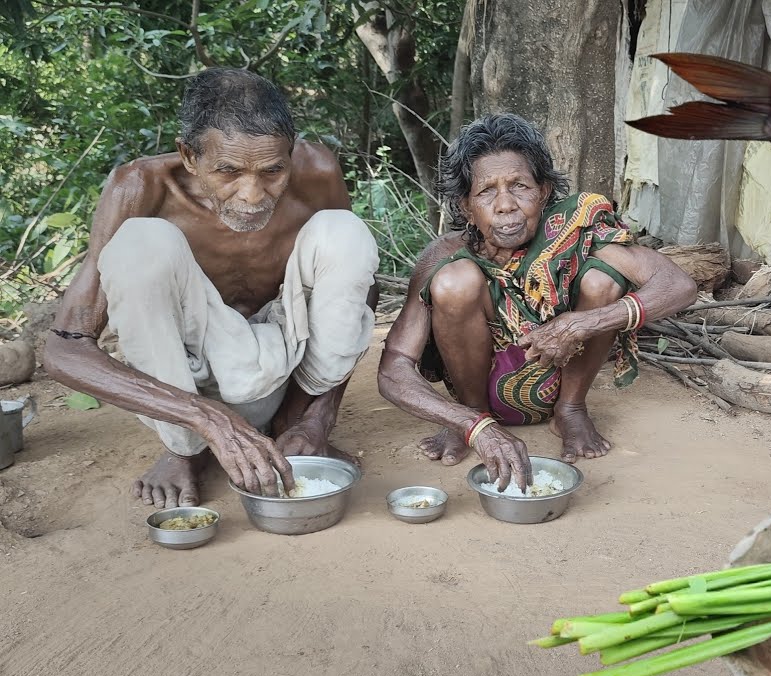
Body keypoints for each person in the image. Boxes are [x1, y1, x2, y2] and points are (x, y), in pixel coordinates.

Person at [43, 68, 379, 508]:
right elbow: (64, 348)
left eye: (273, 170)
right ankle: (184, 450)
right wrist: (202, 418)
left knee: (346, 232)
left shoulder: (316, 173)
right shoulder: (141, 187)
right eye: (228, 171)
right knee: (140, 245)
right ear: (188, 156)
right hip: (191, 382)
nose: (253, 194)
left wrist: (319, 416)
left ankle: (291, 421)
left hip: (289, 366)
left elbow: (356, 292)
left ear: (291, 153)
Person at [378, 113, 698, 492]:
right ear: (466, 207)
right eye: (486, 192)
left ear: (544, 192)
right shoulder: (445, 253)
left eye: (520, 186)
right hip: (474, 399)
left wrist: (579, 324)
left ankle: (571, 409)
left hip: (558, 381)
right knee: (453, 281)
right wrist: (465, 422)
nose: (506, 205)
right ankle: (475, 412)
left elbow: (678, 285)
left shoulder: (573, 229)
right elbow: (393, 369)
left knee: (601, 278)